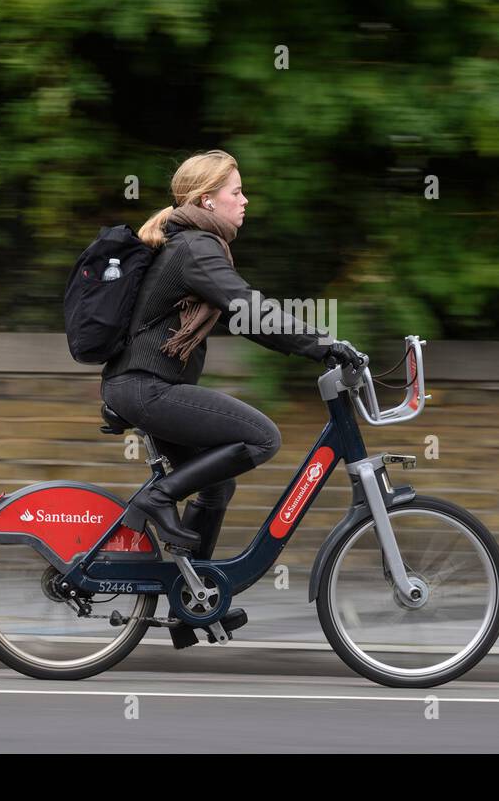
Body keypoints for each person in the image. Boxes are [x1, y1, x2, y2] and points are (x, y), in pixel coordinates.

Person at [99, 150, 361, 645]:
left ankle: (189, 605)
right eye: (236, 191)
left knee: (217, 486)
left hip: (144, 387)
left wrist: (314, 343)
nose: (245, 201)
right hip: (145, 389)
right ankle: (157, 499)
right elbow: (249, 310)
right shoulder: (197, 248)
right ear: (207, 199)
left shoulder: (192, 243)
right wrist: (323, 344)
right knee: (261, 437)